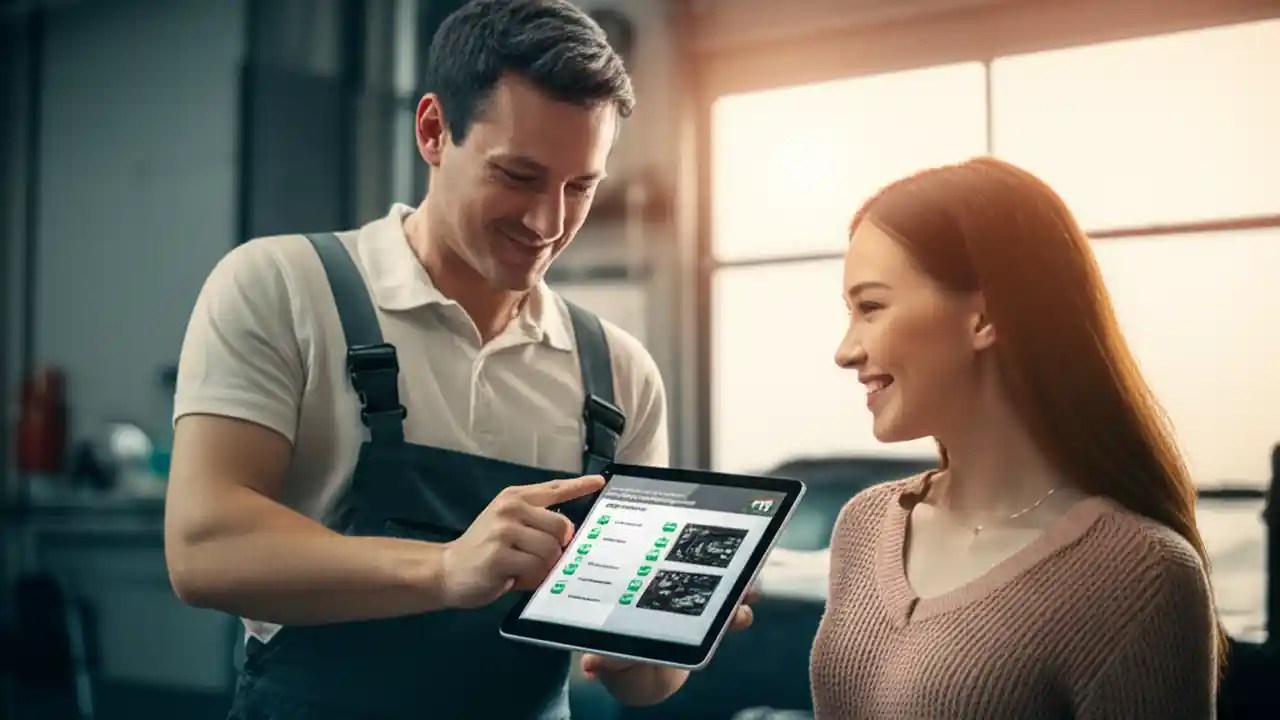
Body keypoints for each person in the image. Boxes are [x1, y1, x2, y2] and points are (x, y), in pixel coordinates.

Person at [164, 1, 752, 718]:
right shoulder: (281, 285)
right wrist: (445, 568)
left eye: (580, 187)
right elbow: (203, 548)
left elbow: (646, 681)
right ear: (434, 130)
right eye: (519, 175)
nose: (549, 223)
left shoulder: (620, 373)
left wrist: (663, 636)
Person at [809, 156, 1221, 719]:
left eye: (871, 308)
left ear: (984, 318)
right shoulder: (865, 525)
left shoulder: (1142, 574)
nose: (845, 350)